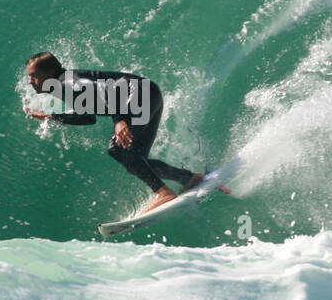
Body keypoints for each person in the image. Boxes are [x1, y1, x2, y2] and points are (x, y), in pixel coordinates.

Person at [23, 51, 205, 213]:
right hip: (148, 94)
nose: (31, 81)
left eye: (35, 76)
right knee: (136, 160)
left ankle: (163, 192)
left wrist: (119, 120)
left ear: (51, 73)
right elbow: (88, 118)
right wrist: (50, 116)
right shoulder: (61, 86)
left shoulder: (69, 82)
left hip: (141, 95)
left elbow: (109, 90)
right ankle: (189, 178)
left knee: (117, 149)